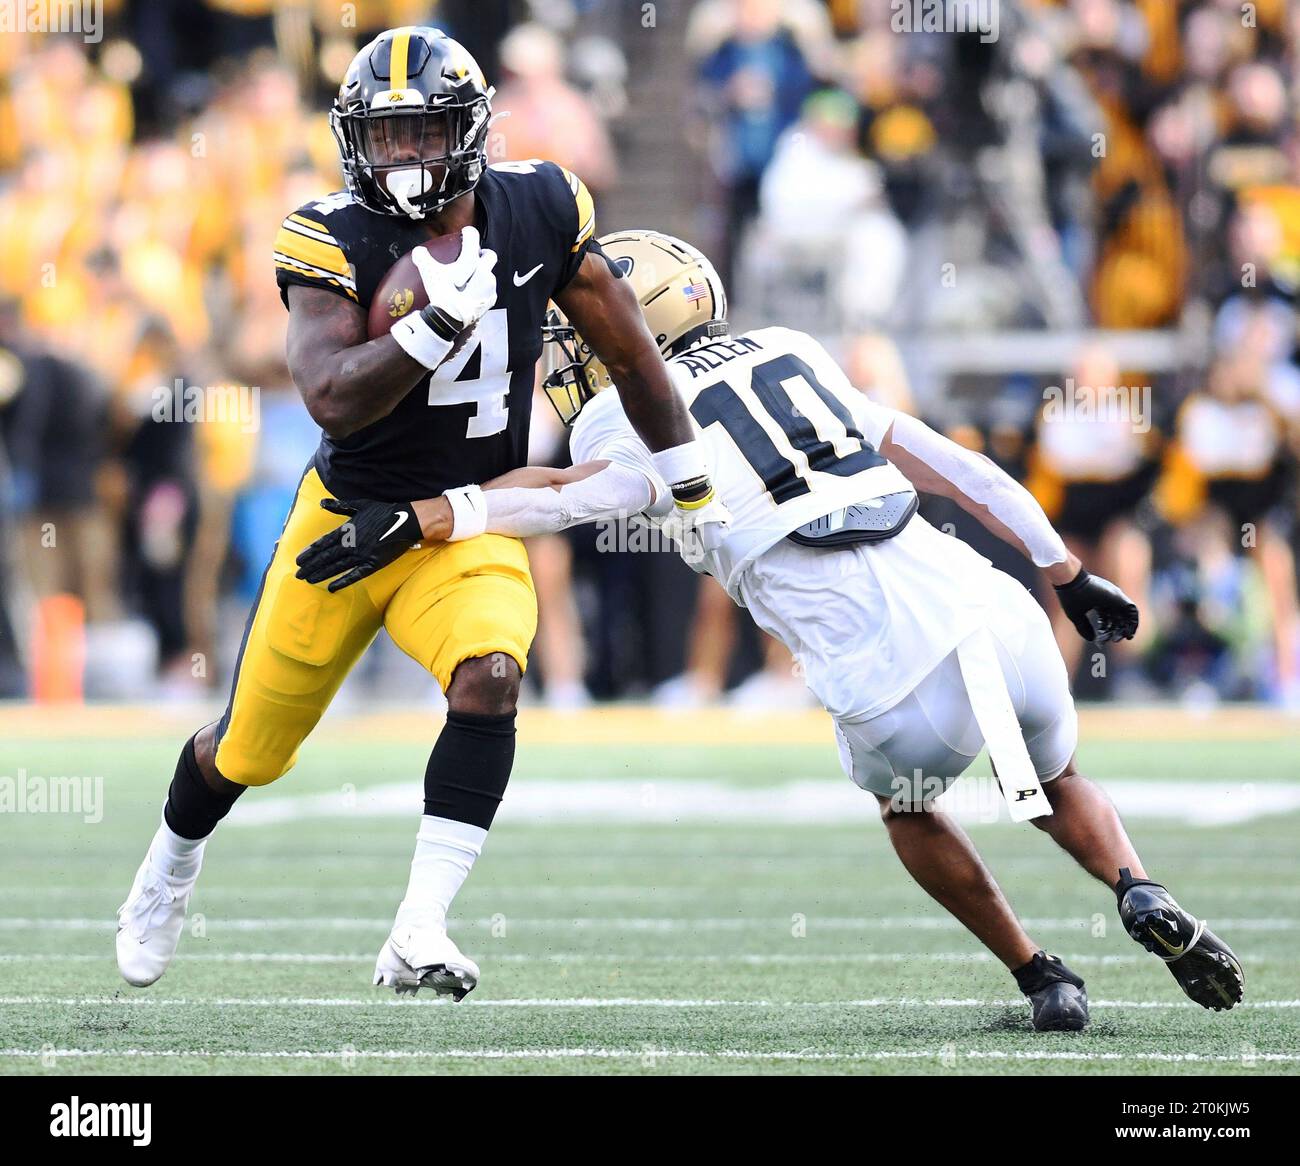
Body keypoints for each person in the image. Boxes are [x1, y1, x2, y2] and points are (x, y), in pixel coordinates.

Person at [301, 230, 1245, 1029]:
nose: (574, 346)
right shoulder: (794, 350)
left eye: (584, 324)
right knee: (1051, 778)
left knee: (910, 807)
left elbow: (567, 501)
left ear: (645, 320)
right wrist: (1067, 573)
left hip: (885, 682)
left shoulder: (624, 416)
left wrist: (427, 514)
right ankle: (1133, 884)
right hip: (991, 613)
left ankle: (1041, 976)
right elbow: (953, 464)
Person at [115, 28, 725, 1001]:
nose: (403, 157)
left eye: (424, 132)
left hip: (467, 516)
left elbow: (635, 356)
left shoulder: (541, 207)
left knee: (491, 675)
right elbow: (328, 394)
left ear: (471, 130)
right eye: (386, 137)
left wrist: (690, 480)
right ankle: (168, 866)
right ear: (356, 140)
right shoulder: (331, 234)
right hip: (345, 521)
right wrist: (428, 332)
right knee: (246, 751)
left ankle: (419, 925)